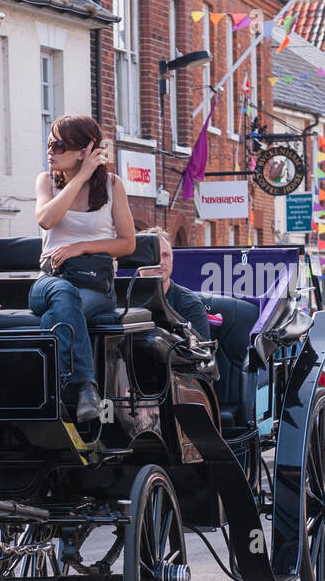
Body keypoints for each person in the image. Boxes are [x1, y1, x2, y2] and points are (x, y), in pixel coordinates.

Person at [33, 115, 136, 422]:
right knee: (63, 294)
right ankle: (85, 387)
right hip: (50, 280)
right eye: (50, 143)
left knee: (56, 317)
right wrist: (79, 177)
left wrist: (82, 247)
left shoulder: (112, 186)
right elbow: (46, 219)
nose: (51, 150)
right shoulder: (46, 181)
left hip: (94, 285)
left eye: (59, 145)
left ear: (84, 151)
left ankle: (56, 390)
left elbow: (128, 243)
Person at [140, 226, 210, 338]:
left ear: (172, 260)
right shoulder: (122, 300)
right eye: (153, 255)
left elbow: (200, 352)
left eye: (165, 255)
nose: (161, 262)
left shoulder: (190, 304)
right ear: (138, 261)